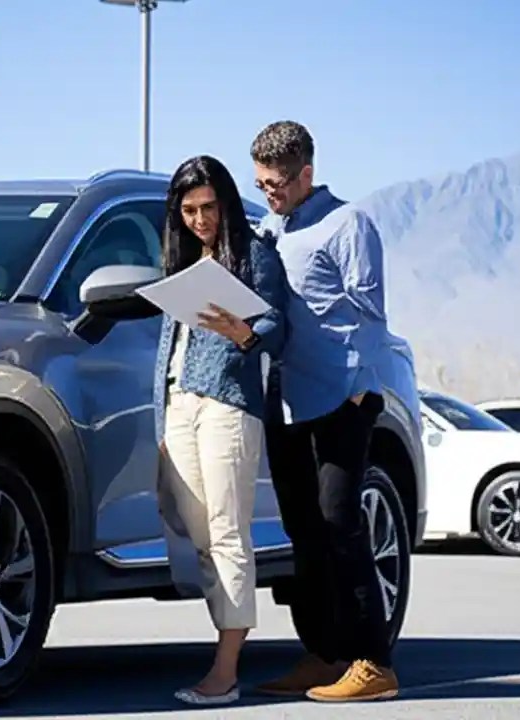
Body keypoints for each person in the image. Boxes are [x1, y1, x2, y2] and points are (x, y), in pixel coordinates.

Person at [247, 120, 400, 702]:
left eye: (277, 183)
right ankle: (324, 653)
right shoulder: (269, 230)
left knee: (340, 524)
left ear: (306, 173)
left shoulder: (347, 224)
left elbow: (369, 312)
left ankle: (373, 662)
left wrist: (360, 391)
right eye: (261, 183)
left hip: (340, 399)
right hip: (285, 398)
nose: (270, 193)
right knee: (302, 532)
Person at [151, 154, 288, 706]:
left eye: (208, 207)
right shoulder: (183, 260)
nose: (200, 219)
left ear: (225, 203)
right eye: (189, 210)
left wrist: (244, 333)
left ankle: (225, 670)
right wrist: (162, 420)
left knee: (228, 533)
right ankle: (225, 651)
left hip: (230, 404)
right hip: (180, 404)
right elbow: (168, 349)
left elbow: (278, 328)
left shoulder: (255, 254)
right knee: (200, 534)